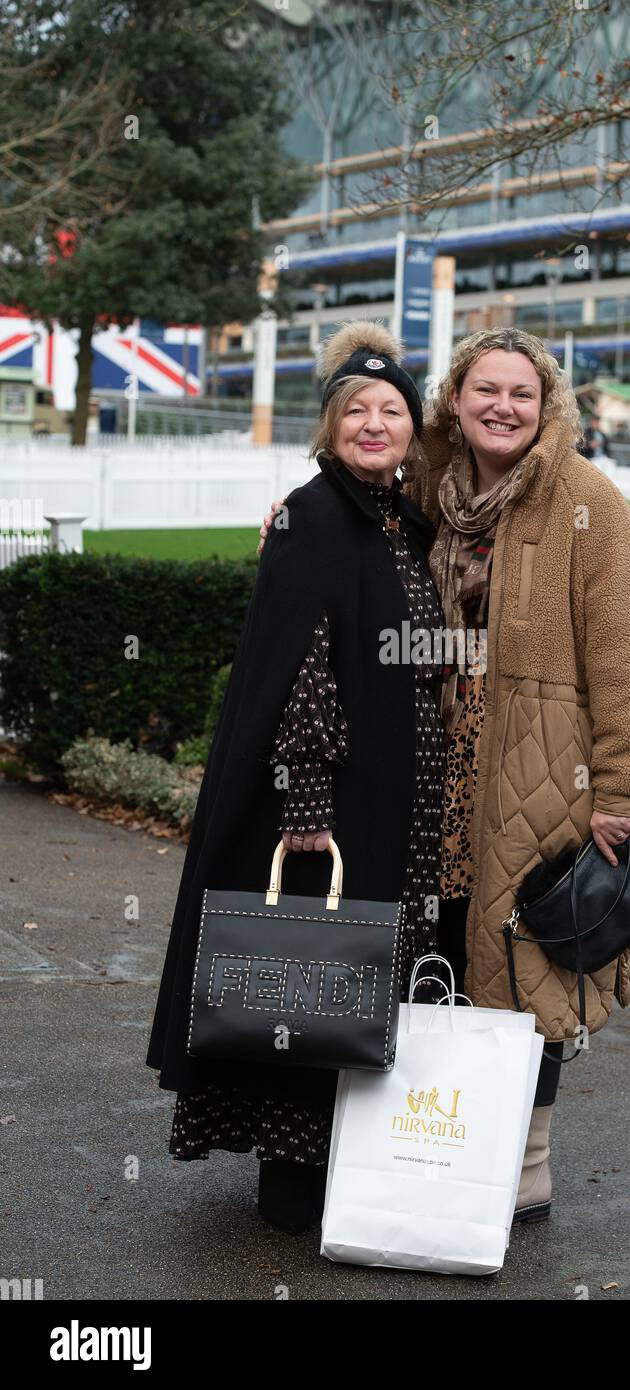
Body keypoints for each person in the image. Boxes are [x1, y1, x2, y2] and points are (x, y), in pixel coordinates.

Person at [260, 325, 630, 1225]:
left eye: (523, 394)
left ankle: (524, 1163)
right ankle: (431, 1139)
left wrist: (624, 792)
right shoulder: (430, 490)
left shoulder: (583, 499)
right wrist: (285, 513)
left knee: (531, 962)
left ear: (548, 406)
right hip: (431, 772)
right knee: (447, 954)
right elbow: (344, 493)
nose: (504, 408)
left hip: (538, 771)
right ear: (455, 399)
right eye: (486, 390)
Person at [147, 321, 447, 1236]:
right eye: (355, 408)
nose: (373, 422)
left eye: (391, 410)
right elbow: (301, 670)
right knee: (312, 980)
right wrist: (307, 797)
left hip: (402, 798)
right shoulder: (316, 516)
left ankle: (352, 1176)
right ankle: (293, 1192)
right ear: (330, 427)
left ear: (412, 432)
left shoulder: (402, 517)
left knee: (357, 986)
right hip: (336, 802)